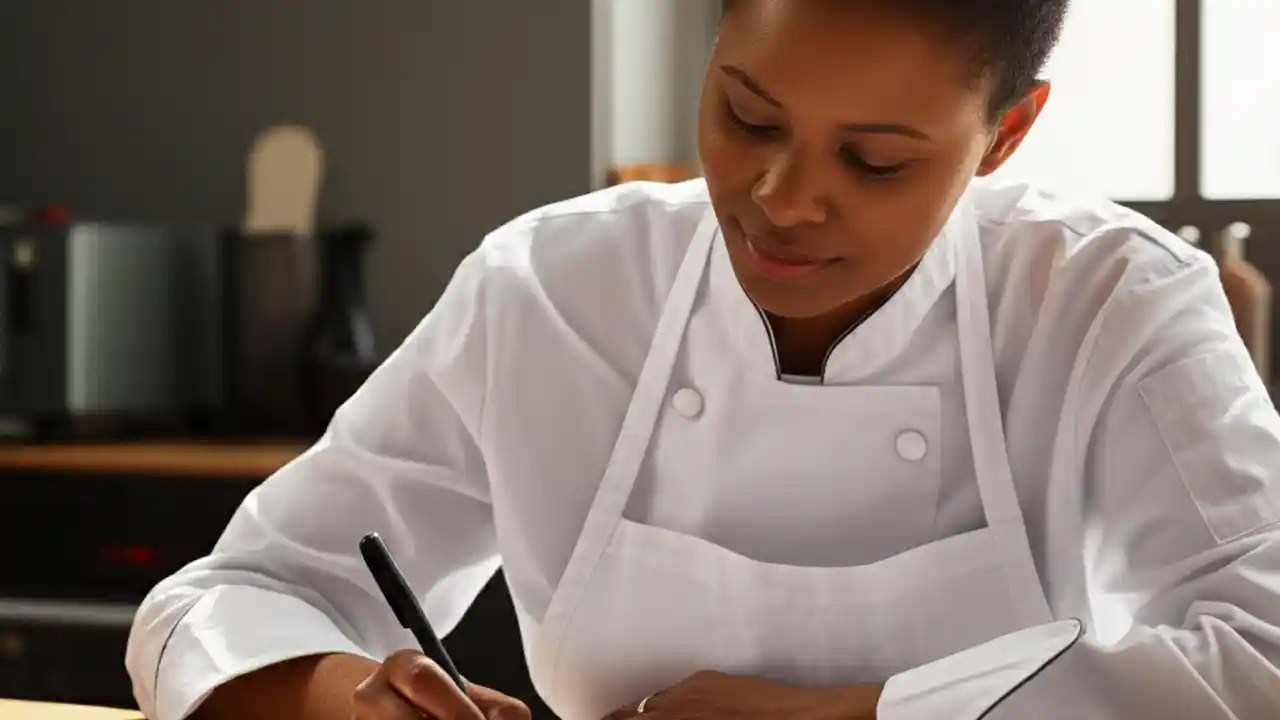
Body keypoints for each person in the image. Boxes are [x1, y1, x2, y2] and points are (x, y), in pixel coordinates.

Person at [127, 1, 1280, 718]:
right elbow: (234, 597)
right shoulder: (550, 288)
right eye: (747, 115)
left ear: (1006, 134)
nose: (780, 202)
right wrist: (346, 697)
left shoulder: (1108, 300)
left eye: (873, 161)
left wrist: (859, 717)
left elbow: (1261, 656)